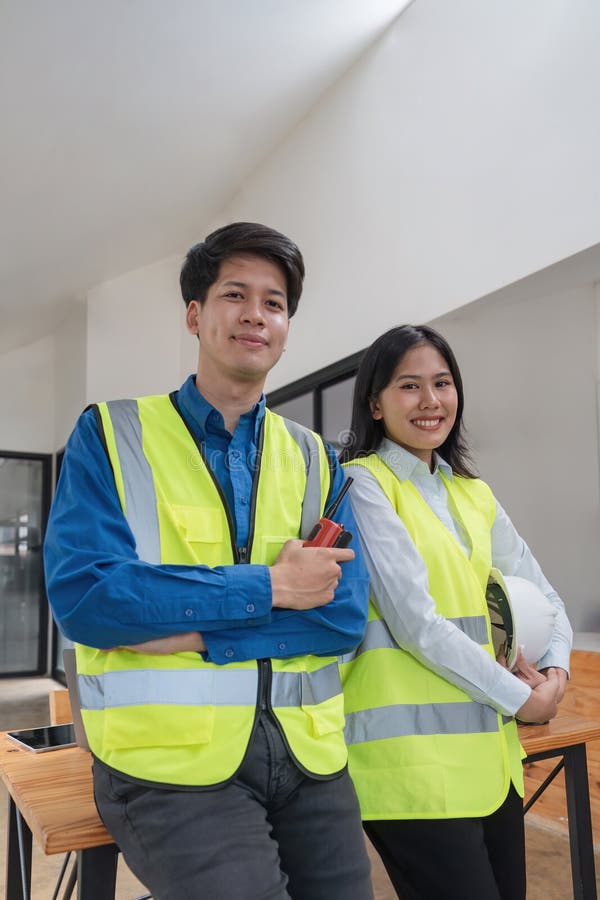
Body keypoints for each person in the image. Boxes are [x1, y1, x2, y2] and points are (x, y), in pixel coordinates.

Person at [44, 222, 374, 900]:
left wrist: (193, 632)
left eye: (275, 302)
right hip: (167, 767)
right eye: (235, 294)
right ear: (195, 314)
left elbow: (343, 616)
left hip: (308, 758)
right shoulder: (110, 435)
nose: (257, 314)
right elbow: (89, 600)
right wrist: (273, 587)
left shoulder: (316, 459)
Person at [339, 324, 572, 900]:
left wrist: (557, 674)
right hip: (410, 772)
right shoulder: (364, 484)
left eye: (442, 383)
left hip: (491, 768)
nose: (430, 401)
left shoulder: (472, 494)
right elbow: (415, 624)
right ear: (376, 401)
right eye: (409, 385)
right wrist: (525, 697)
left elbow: (546, 596)